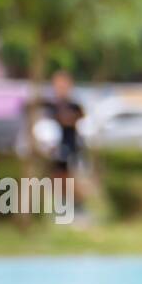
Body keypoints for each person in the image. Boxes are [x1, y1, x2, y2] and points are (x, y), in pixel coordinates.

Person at [40, 70, 87, 219]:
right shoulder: (50, 105)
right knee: (56, 178)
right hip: (54, 149)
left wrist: (65, 118)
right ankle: (63, 206)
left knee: (70, 178)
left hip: (71, 147)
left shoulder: (74, 105)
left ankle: (78, 206)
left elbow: (77, 119)